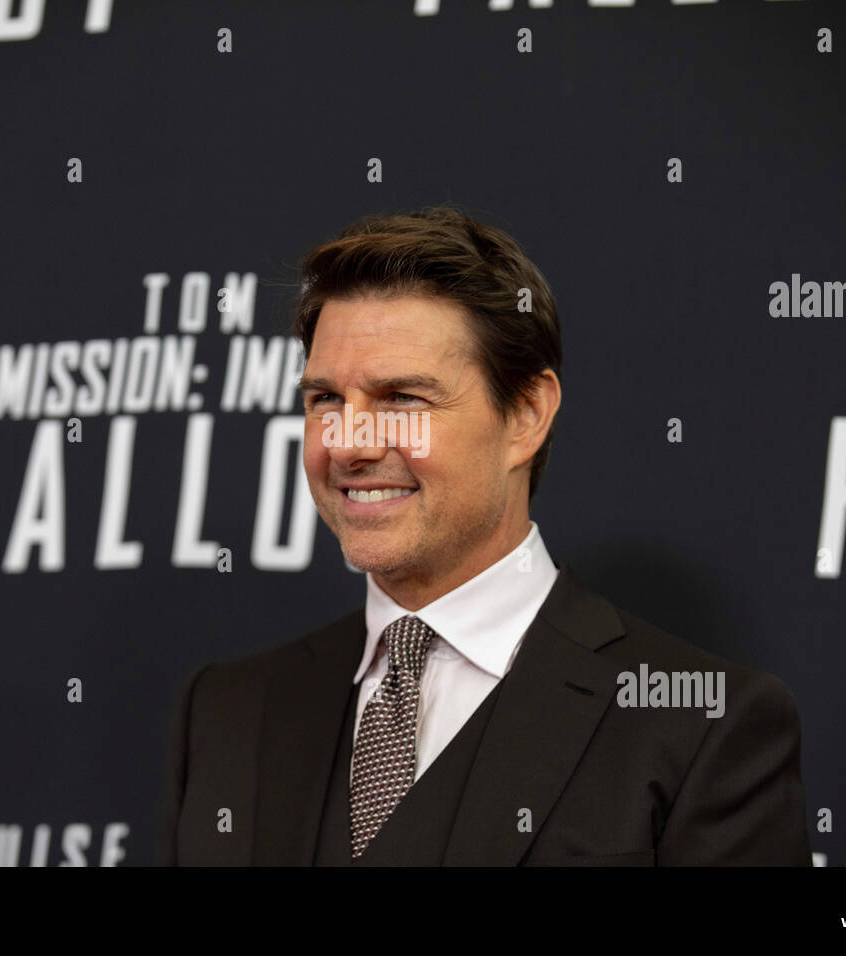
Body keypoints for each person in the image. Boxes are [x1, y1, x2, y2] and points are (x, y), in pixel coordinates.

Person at [160, 206, 811, 866]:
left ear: (526, 416)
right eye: (326, 399)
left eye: (402, 399)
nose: (348, 445)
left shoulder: (701, 728)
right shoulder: (226, 711)